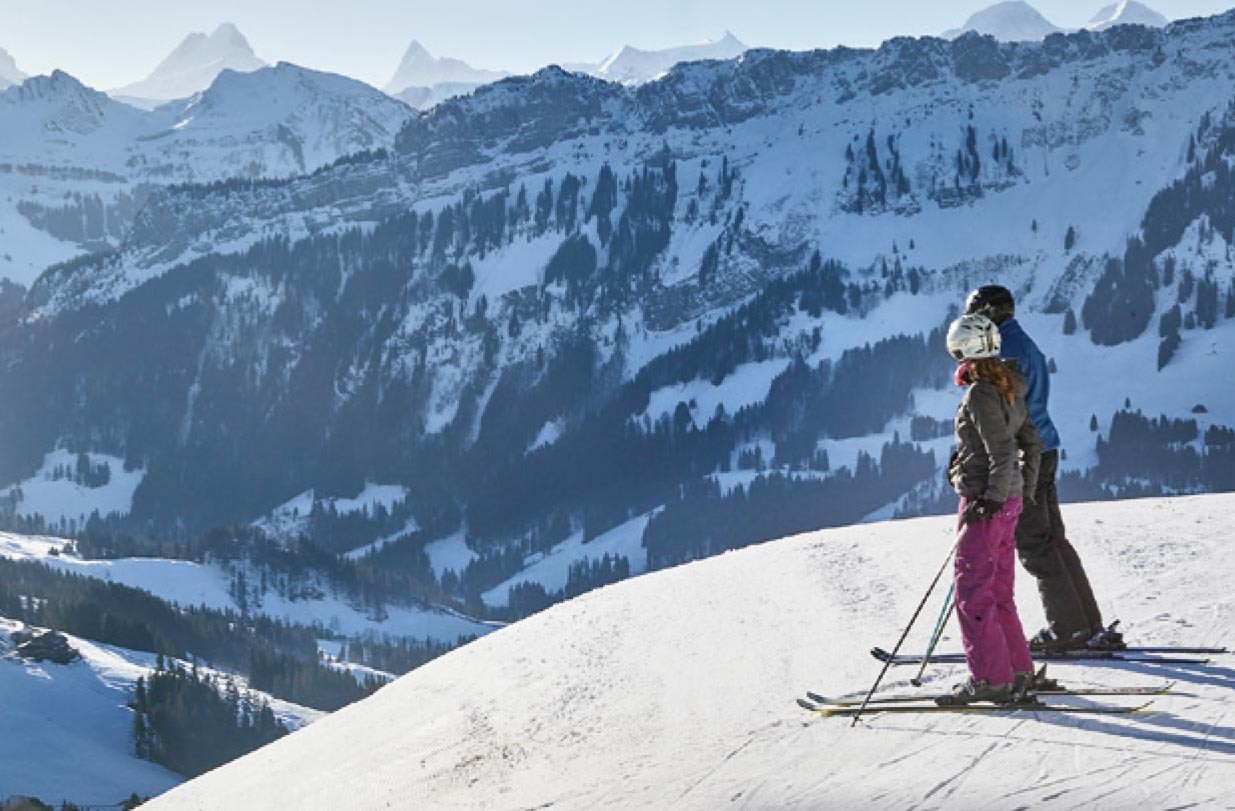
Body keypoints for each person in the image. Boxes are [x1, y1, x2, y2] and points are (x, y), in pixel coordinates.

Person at [965, 286, 1124, 652]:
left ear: (990, 313)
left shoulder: (1006, 353)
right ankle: (1087, 624)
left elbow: (1007, 415)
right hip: (1044, 448)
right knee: (1052, 538)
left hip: (1027, 455)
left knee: (1035, 542)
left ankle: (1069, 630)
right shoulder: (1023, 343)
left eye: (977, 316)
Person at [937, 313, 1043, 706]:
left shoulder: (982, 393)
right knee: (998, 589)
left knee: (972, 590)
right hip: (1006, 499)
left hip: (987, 501)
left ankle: (990, 679)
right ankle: (1016, 671)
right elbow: (1030, 443)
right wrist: (1021, 493)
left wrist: (992, 499)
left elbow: (1001, 451)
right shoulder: (1010, 385)